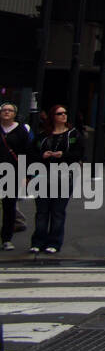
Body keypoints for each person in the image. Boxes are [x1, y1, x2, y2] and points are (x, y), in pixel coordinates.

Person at [30, 104, 84, 253]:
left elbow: (79, 154)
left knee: (58, 211)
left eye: (65, 113)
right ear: (53, 117)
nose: (63, 116)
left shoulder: (74, 135)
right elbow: (31, 155)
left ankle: (54, 242)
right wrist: (42, 156)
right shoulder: (43, 136)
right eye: (60, 113)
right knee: (42, 211)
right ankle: (38, 241)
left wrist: (63, 155)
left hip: (64, 176)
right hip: (43, 176)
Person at [1, 102, 32, 250]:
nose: (6, 112)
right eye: (4, 110)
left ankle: (6, 238)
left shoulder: (21, 131)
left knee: (9, 206)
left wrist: (25, 175)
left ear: (14, 114)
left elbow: (26, 153)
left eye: (10, 110)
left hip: (12, 173)